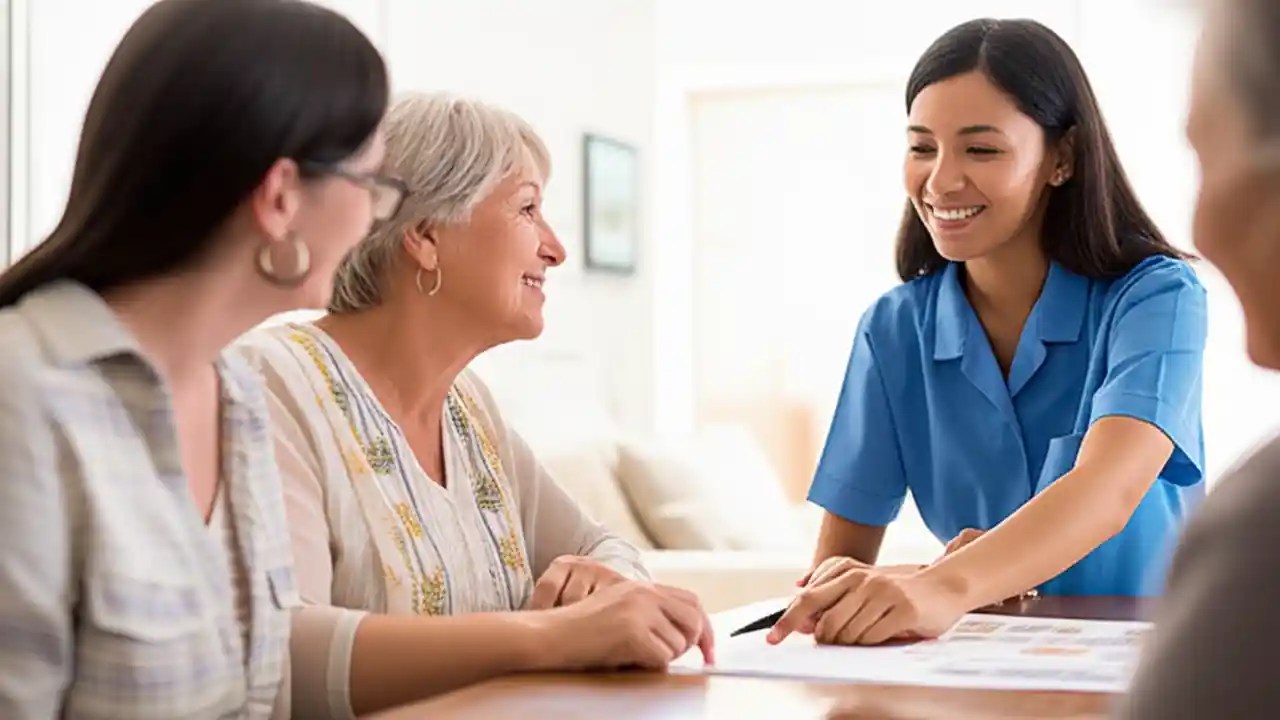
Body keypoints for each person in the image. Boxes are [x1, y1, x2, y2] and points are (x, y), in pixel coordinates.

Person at [0, 2, 709, 719]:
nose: (376, 217)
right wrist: (546, 638)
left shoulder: (231, 395)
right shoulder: (25, 393)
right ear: (280, 198)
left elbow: (258, 688)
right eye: (370, 187)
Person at [235, 91, 711, 713]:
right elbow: (285, 651)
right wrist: (553, 637)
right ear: (426, 235)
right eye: (528, 209)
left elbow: (606, 547)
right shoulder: (270, 383)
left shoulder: (469, 410)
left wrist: (607, 583)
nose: (555, 248)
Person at [770, 18, 1207, 647]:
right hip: (982, 664)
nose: (942, 180)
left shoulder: (1156, 297)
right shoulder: (893, 329)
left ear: (1063, 158)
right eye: (922, 147)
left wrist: (944, 584)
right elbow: (837, 570)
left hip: (1153, 654)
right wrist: (842, 589)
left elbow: (1107, 490)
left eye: (981, 149)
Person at [1120, 0, 1280, 716]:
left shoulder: (1263, 529)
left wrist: (952, 582)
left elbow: (1112, 480)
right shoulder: (899, 317)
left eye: (1205, 155)